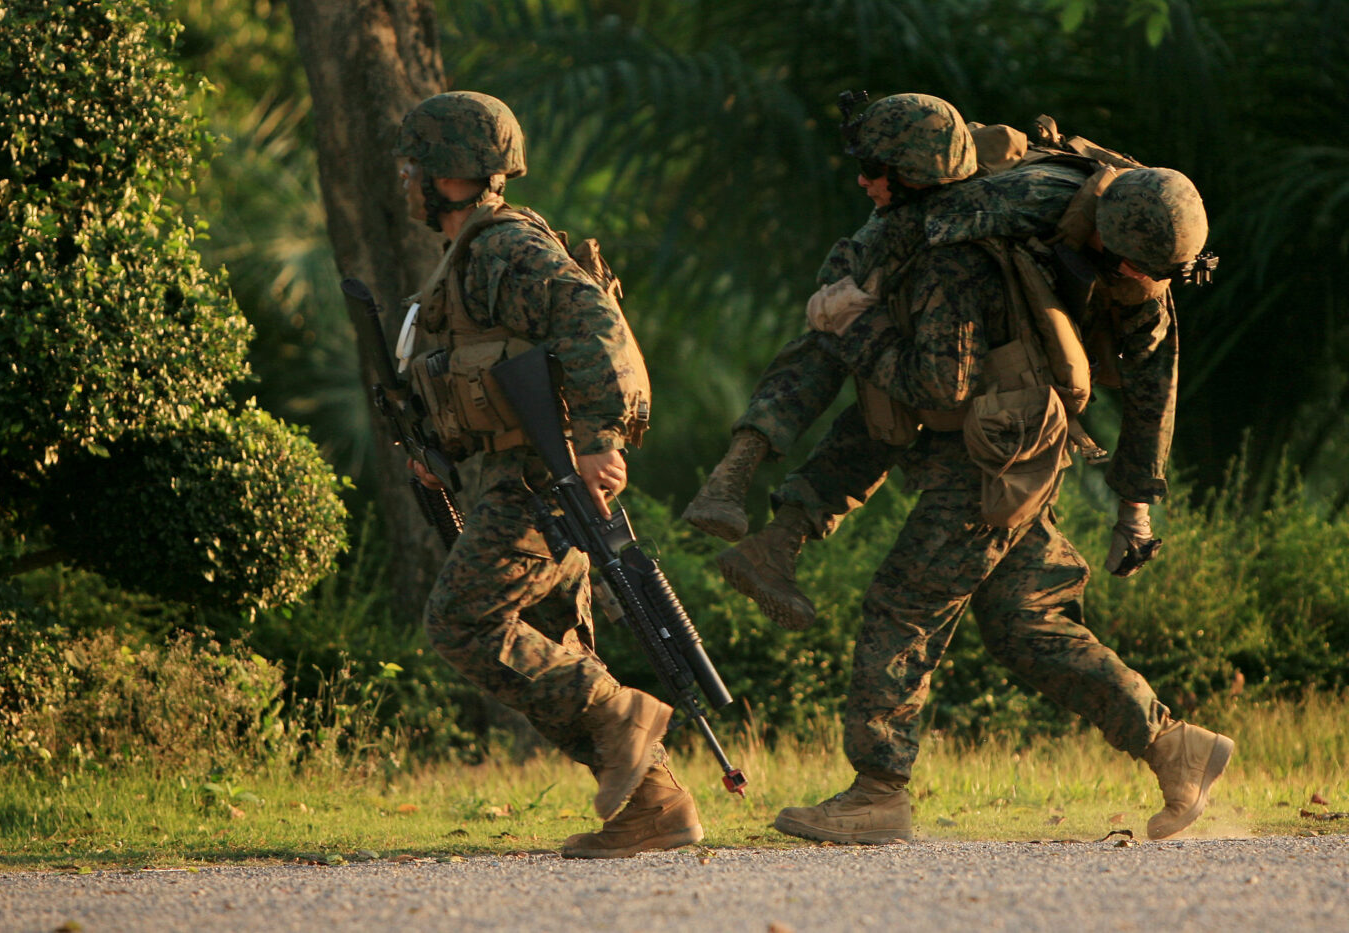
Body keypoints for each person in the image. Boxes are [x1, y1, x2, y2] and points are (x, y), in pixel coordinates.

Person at [703, 92, 1232, 844]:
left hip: (998, 450)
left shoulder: (1145, 270)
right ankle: (1177, 749)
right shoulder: (1003, 207)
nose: (1133, 279)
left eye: (1148, 273)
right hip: (1004, 437)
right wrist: (856, 291)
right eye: (1125, 265)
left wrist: (1135, 507)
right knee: (1025, 623)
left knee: (904, 603)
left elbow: (1152, 387)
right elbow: (908, 231)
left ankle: (878, 792)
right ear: (1107, 234)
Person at [391, 91, 701, 859]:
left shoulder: (503, 247)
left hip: (541, 478)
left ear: (447, 173)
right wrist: (437, 449)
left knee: (461, 621)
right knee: (559, 644)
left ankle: (625, 715)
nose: (405, 179)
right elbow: (484, 371)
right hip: (521, 472)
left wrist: (597, 439)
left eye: (413, 166)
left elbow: (591, 321)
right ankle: (656, 806)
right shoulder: (472, 254)